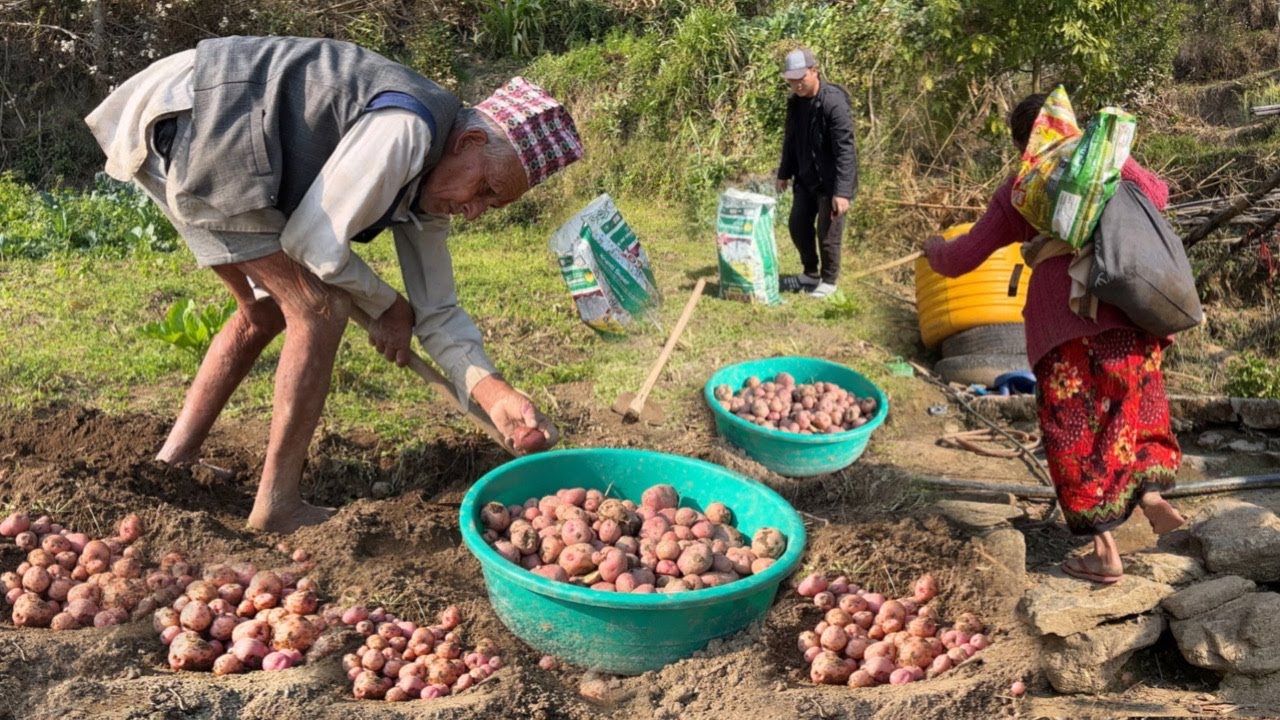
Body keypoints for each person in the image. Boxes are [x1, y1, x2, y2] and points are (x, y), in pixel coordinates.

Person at [85, 36, 583, 533]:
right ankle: (277, 504)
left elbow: (438, 312)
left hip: (206, 128)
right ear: (469, 143)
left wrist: (494, 394)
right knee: (317, 307)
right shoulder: (405, 130)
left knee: (266, 311)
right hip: (200, 117)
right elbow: (315, 243)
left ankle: (173, 461)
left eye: (490, 206)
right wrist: (387, 305)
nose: (474, 210)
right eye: (484, 189)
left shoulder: (435, 187)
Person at [922, 92, 1185, 584]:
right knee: (1133, 408)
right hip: (1128, 313)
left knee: (1073, 431)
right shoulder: (1104, 159)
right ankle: (1150, 496)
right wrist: (1116, 160)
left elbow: (963, 259)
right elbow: (1159, 193)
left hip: (1062, 328)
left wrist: (933, 249)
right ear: (1070, 121)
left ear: (1024, 140)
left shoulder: (1024, 183)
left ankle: (1104, 549)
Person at [775, 47, 858, 299]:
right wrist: (784, 173)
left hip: (833, 182)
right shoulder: (794, 103)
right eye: (791, 79)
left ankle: (829, 280)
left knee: (827, 234)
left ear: (814, 71)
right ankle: (810, 274)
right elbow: (791, 140)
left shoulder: (833, 102)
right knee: (797, 225)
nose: (796, 84)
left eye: (801, 77)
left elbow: (846, 149)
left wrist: (842, 192)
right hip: (806, 177)